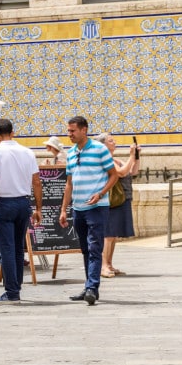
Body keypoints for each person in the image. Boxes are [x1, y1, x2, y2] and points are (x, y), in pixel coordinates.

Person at [0, 119, 43, 303]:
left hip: (4, 203)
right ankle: (16, 286)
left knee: (6, 247)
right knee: (17, 248)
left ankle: (12, 291)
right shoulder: (28, 152)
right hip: (23, 203)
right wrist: (38, 208)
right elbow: (37, 182)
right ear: (13, 132)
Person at [59, 115, 118, 305]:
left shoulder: (100, 150)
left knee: (94, 247)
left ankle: (92, 287)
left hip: (96, 207)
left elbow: (114, 176)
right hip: (78, 208)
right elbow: (69, 184)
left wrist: (100, 194)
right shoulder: (71, 153)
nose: (69, 134)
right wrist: (63, 210)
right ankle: (89, 286)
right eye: (68, 131)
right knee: (85, 249)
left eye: (72, 131)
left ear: (84, 130)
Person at [94, 133, 140, 278]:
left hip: (121, 198)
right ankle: (104, 266)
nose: (114, 142)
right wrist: (131, 156)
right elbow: (120, 172)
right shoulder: (105, 159)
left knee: (113, 235)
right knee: (108, 234)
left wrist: (136, 157)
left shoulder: (115, 159)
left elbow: (132, 171)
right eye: (110, 140)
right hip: (111, 200)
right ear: (103, 145)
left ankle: (109, 263)